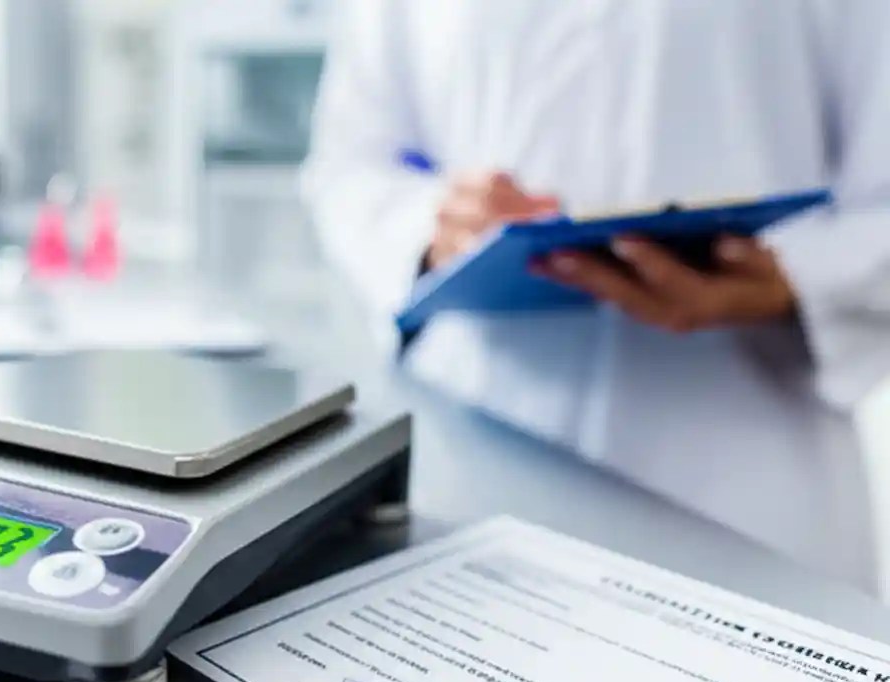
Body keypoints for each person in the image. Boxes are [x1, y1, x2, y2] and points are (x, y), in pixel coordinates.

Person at [303, 2, 890, 594]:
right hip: (477, 441)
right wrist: (433, 224)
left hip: (749, 468)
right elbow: (350, 165)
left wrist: (803, 274)